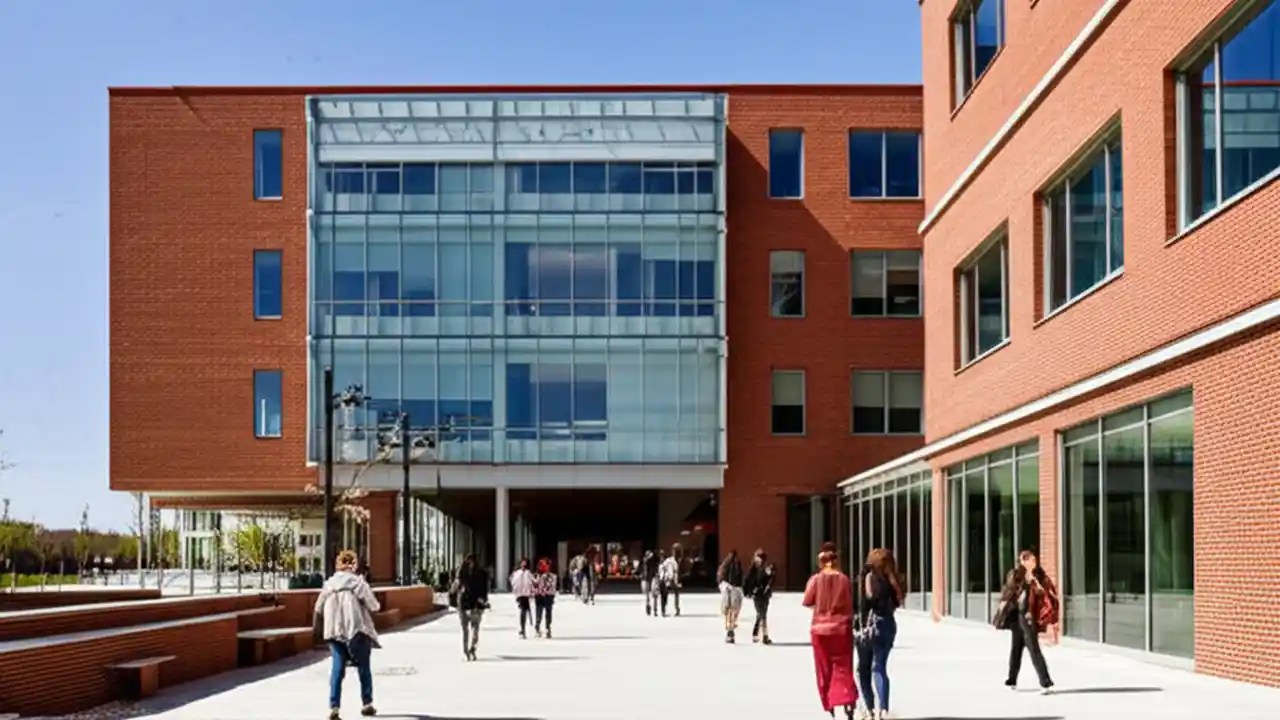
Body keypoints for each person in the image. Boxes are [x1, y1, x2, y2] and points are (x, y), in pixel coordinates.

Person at [314, 549, 380, 719]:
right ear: (354, 565)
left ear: (338, 565)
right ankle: (367, 704)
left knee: (337, 668)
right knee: (364, 667)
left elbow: (318, 608)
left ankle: (334, 707)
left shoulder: (328, 585)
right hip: (356, 630)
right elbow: (374, 606)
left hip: (334, 632)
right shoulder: (358, 583)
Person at [803, 548, 857, 719]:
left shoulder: (815, 580)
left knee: (824, 668)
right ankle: (847, 700)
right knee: (843, 667)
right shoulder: (844, 580)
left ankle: (830, 703)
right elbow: (849, 605)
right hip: (841, 628)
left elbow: (807, 601)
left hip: (820, 629)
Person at [996, 549, 1057, 694]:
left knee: (1032, 648)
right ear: (1023, 561)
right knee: (1017, 648)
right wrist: (1024, 583)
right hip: (1018, 615)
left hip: (1030, 616)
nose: (1033, 563)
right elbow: (1009, 591)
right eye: (1030, 560)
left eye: (1034, 560)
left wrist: (1035, 582)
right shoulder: (1016, 574)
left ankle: (1045, 681)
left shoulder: (1039, 575)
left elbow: (1046, 591)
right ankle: (1012, 679)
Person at [855, 548, 904, 720]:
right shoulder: (893, 581)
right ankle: (883, 709)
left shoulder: (869, 577)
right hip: (888, 625)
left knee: (863, 669)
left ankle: (869, 709)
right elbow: (899, 600)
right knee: (880, 667)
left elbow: (869, 598)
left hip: (870, 626)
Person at [453, 553, 489, 661]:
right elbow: (485, 589)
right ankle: (471, 649)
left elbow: (455, 588)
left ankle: (467, 651)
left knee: (467, 629)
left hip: (465, 604)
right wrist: (484, 600)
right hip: (474, 604)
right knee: (474, 628)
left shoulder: (461, 572)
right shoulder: (481, 572)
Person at [743, 548, 776, 645]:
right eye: (757, 558)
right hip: (757, 595)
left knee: (760, 614)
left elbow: (771, 580)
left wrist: (770, 575)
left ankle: (755, 634)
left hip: (764, 595)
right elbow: (747, 581)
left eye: (760, 558)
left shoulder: (766, 569)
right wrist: (748, 592)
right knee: (762, 615)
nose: (758, 560)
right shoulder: (753, 569)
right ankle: (765, 636)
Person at [717, 550, 745, 643]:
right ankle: (731, 628)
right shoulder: (738, 565)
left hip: (726, 589)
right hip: (735, 590)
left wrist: (722, 585)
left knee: (727, 611)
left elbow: (720, 577)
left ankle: (729, 628)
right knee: (734, 611)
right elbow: (740, 578)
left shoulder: (725, 564)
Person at [510, 557, 536, 639]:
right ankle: (522, 629)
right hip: (520, 594)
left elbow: (533, 583)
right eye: (522, 563)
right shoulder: (517, 573)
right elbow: (513, 582)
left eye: (525, 563)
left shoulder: (529, 573)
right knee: (523, 610)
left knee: (523, 611)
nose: (523, 565)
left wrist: (532, 592)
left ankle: (523, 629)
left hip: (526, 595)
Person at [533, 557, 557, 638]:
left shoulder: (551, 576)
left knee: (547, 612)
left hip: (548, 595)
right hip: (539, 595)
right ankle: (538, 626)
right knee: (540, 612)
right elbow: (534, 585)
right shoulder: (536, 575)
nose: (544, 567)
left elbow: (552, 585)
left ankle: (547, 627)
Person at [640, 549, 660, 616]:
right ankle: (648, 605)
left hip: (653, 577)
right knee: (647, 595)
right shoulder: (645, 560)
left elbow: (657, 566)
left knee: (654, 594)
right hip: (646, 579)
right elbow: (644, 564)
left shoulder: (655, 560)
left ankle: (655, 609)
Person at [667, 543, 684, 616]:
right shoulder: (672, 560)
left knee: (676, 594)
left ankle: (676, 608)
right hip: (672, 577)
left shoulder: (679, 560)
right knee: (674, 594)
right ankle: (675, 608)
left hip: (675, 578)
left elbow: (680, 570)